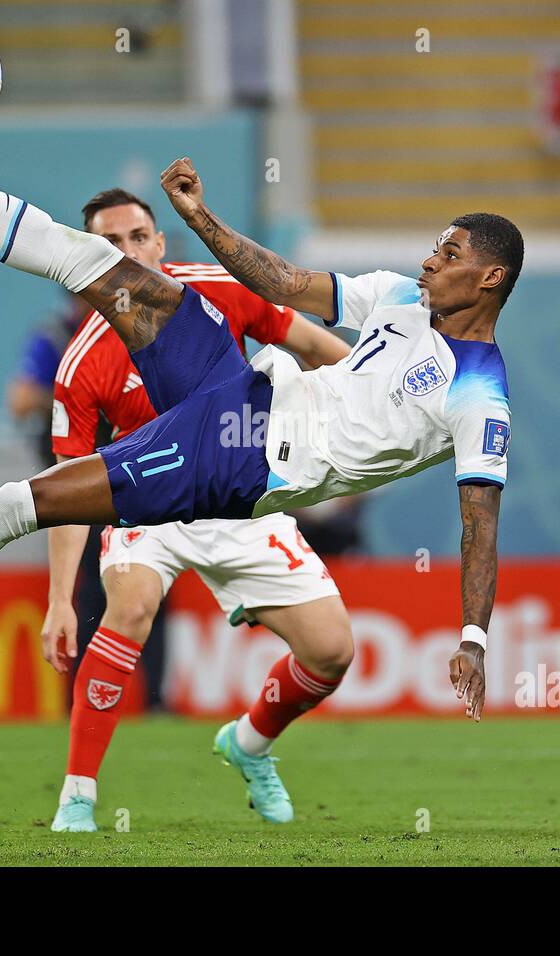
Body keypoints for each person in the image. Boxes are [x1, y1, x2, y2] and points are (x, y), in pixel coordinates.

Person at [0, 78, 518, 727]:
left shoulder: (481, 394)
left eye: (448, 254)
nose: (427, 258)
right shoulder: (396, 300)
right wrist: (200, 218)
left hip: (238, 459)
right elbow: (285, 285)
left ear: (489, 279)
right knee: (92, 259)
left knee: (19, 504)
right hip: (238, 392)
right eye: (433, 244)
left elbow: (478, 522)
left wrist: (474, 638)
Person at [43, 186, 352, 830]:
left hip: (242, 495)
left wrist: (375, 405)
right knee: (128, 607)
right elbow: (66, 493)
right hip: (148, 508)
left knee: (332, 653)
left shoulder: (221, 288)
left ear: (160, 244)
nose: (126, 254)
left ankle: (248, 743)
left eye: (136, 238)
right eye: (107, 245)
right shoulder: (81, 362)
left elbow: (319, 348)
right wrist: (59, 599)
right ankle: (78, 795)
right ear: (85, 262)